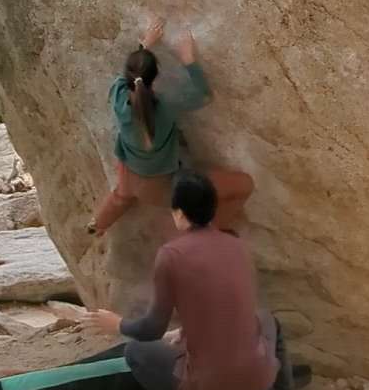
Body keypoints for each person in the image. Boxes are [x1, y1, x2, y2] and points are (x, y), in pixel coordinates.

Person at [83, 170, 306, 390]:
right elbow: (230, 310)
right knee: (268, 320)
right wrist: (187, 332)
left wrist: (118, 324)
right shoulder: (237, 246)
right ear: (212, 209)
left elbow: (151, 328)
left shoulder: (171, 255)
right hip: (259, 379)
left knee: (136, 351)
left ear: (178, 213)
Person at [89, 21, 253, 237]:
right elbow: (203, 94)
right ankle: (214, 232)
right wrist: (189, 60)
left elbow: (131, 75)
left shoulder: (118, 96)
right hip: (160, 188)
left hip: (129, 173)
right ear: (156, 76)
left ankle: (96, 226)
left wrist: (144, 45)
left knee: (121, 196)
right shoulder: (167, 105)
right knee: (243, 185)